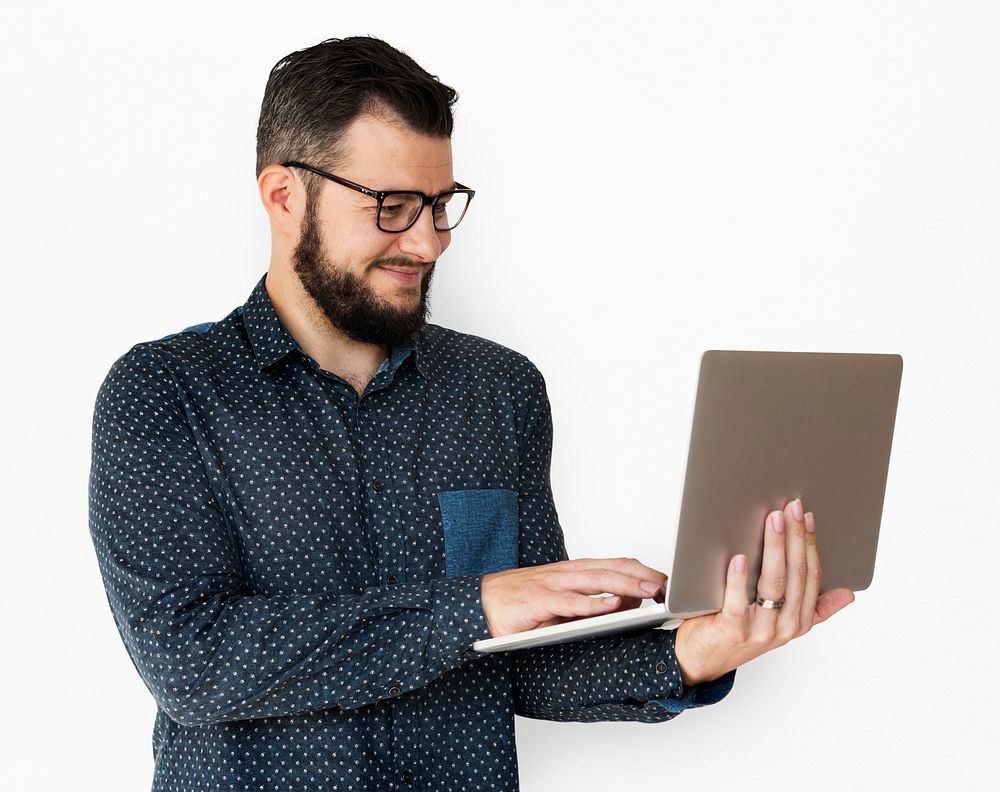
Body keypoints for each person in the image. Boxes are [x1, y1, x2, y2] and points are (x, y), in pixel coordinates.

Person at [88, 35, 855, 792]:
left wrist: (697, 649)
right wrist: (476, 605)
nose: (425, 241)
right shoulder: (164, 394)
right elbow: (192, 663)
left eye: (438, 205)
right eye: (391, 206)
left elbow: (521, 663)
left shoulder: (499, 391)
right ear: (285, 196)